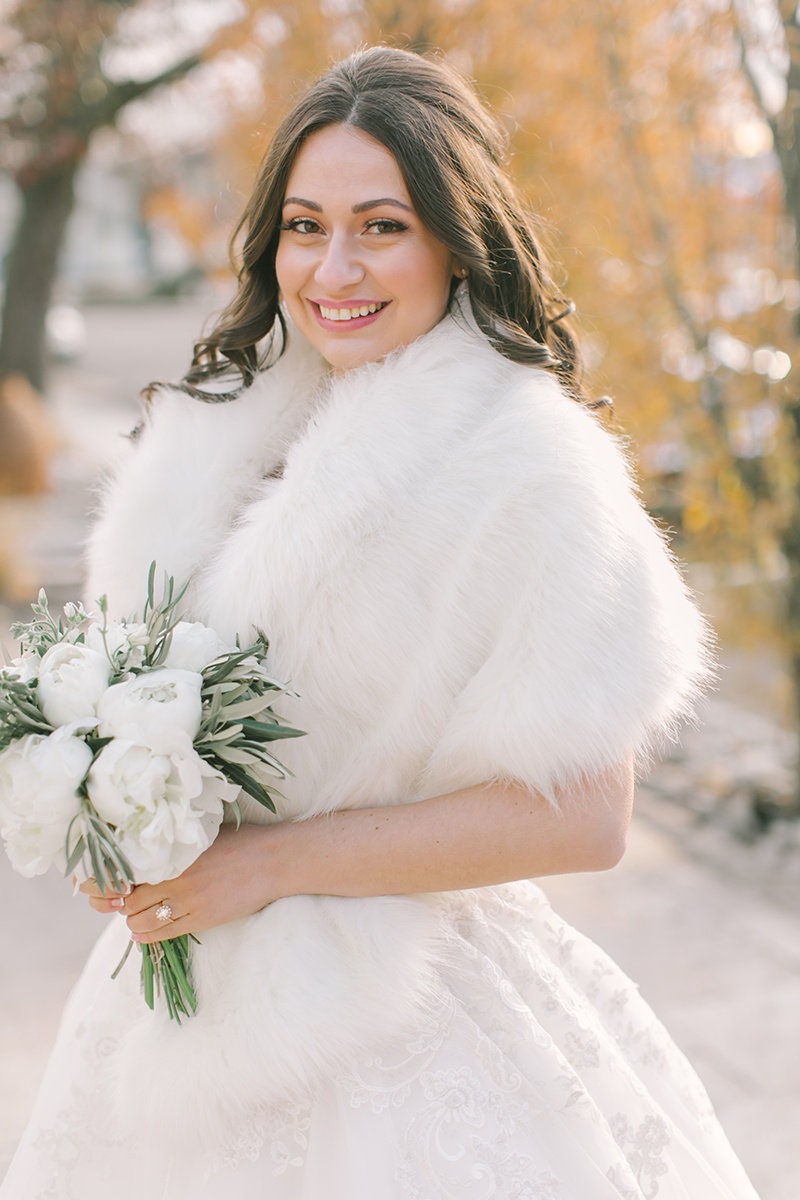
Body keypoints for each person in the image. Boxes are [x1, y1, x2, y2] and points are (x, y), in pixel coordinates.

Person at [1, 46, 761, 1200]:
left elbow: (587, 816)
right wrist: (116, 812)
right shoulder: (216, 433)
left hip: (399, 1012)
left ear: (456, 239)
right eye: (304, 226)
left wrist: (267, 866)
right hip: (172, 1000)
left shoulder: (528, 467)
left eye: (382, 227)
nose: (333, 268)